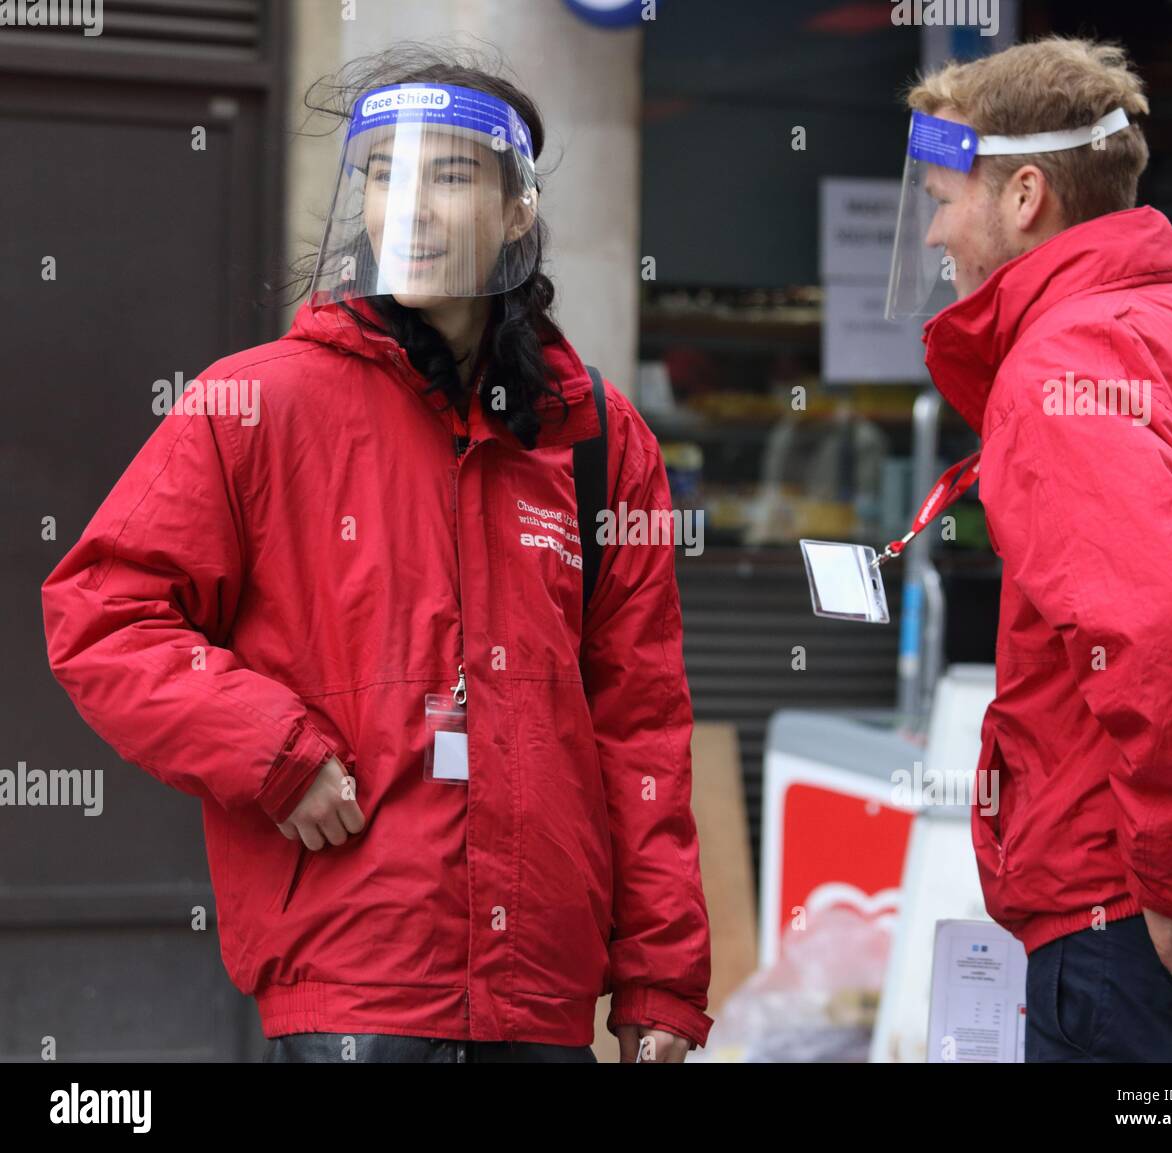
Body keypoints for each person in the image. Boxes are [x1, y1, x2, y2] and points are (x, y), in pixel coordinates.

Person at [40, 43, 712, 1064]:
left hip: (541, 983)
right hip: (352, 967)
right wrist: (276, 753)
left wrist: (662, 972)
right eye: (387, 174)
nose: (413, 207)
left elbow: (639, 718)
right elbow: (103, 614)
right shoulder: (258, 403)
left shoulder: (598, 440)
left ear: (518, 209)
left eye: (449, 175)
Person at [888, 36, 1172, 1061]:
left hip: (1140, 924)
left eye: (945, 196)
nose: (935, 231)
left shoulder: (1060, 360)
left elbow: (1163, 624)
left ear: (1025, 194)